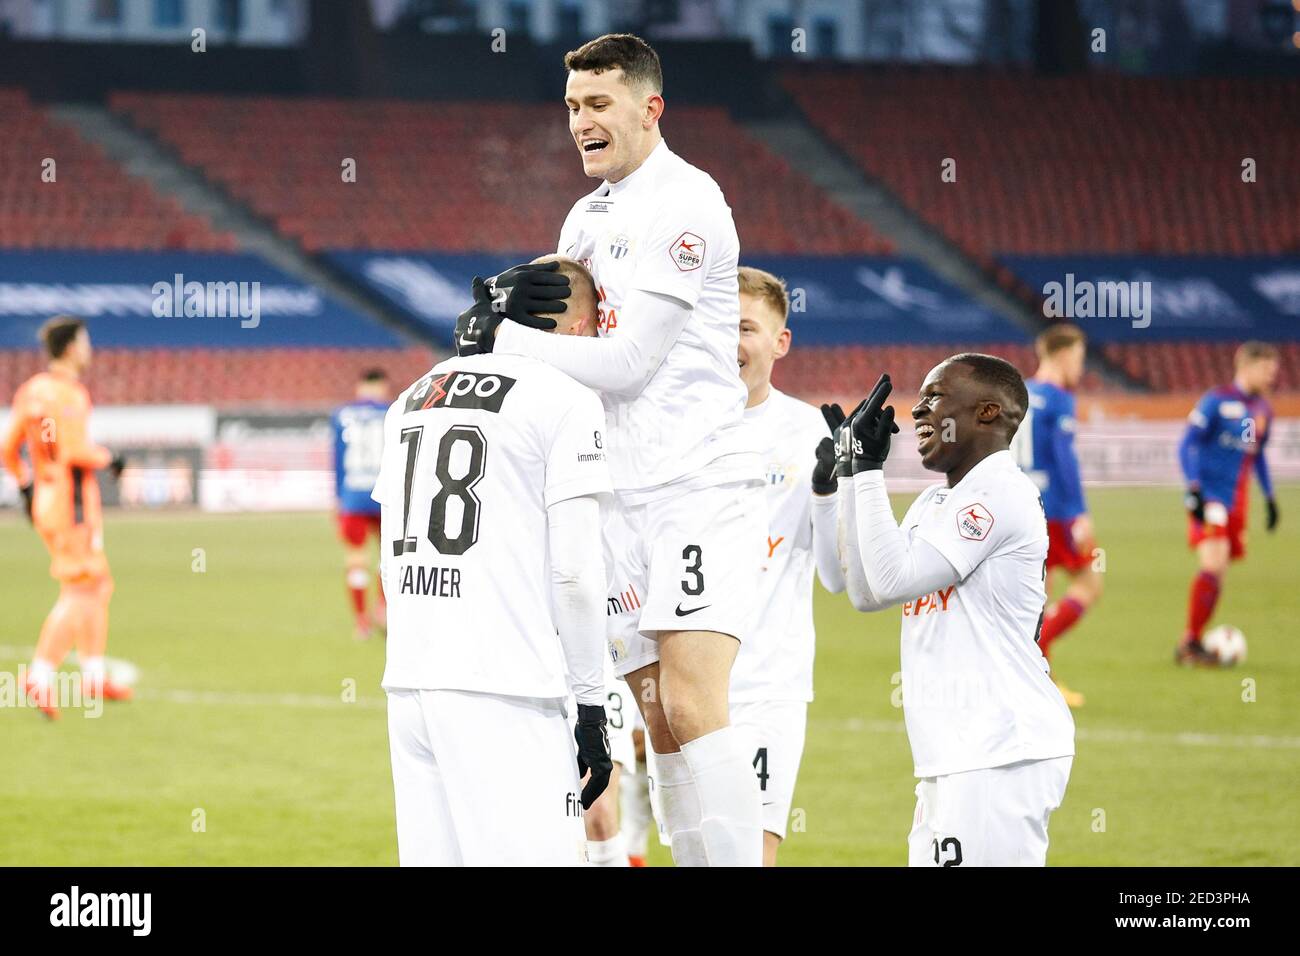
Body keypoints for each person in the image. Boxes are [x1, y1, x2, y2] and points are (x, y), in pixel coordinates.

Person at [454, 33, 765, 865]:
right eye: (571, 108)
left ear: (648, 107)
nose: (579, 123)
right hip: (617, 494)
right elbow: (565, 329)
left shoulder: (688, 200)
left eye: (597, 105)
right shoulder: (585, 215)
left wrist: (502, 344)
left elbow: (628, 365)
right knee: (655, 718)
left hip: (697, 482)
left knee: (696, 705)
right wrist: (496, 308)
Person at [375, 258, 614, 865]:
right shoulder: (566, 399)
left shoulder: (412, 395)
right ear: (580, 324)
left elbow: (386, 557)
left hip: (411, 682)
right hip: (506, 688)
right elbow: (577, 574)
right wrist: (591, 705)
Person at [838, 357, 1075, 866]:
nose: (919, 410)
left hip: (999, 749)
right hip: (958, 752)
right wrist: (848, 476)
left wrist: (869, 470)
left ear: (987, 412)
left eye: (935, 397)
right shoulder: (934, 502)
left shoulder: (999, 494)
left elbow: (893, 577)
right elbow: (866, 592)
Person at [731, 266, 845, 865]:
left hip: (766, 684)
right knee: (697, 851)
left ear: (781, 342)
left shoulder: (807, 433)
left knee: (751, 852)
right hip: (677, 683)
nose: (733, 342)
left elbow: (836, 576)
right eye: (723, 326)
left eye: (748, 328)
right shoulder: (672, 425)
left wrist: (829, 497)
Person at [2, 316, 131, 719]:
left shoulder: (32, 391)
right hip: (72, 502)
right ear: (72, 348)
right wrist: (111, 459)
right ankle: (39, 677)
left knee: (97, 582)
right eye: (86, 341)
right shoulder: (70, 394)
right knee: (82, 588)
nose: (90, 348)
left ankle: (92, 675)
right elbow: (73, 449)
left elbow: (8, 451)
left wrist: (25, 488)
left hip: (46, 497)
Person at [1176, 341, 1279, 666]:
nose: (1271, 377)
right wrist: (1194, 488)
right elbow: (1186, 444)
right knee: (1213, 564)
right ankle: (1190, 642)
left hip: (1237, 501)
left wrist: (1270, 497)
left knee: (1218, 571)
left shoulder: (1263, 409)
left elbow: (1257, 455)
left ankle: (1191, 640)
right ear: (1246, 367)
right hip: (1211, 497)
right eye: (1266, 370)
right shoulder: (1216, 401)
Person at [1013, 323, 1097, 706]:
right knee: (1089, 584)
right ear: (1062, 356)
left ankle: (1034, 678)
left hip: (1020, 504)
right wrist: (1080, 512)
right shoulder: (1061, 398)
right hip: (1056, 511)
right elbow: (1066, 460)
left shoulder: (1018, 395)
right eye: (1079, 359)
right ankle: (1038, 657)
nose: (1080, 368)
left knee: (1035, 599)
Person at [331, 368, 391, 640]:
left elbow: (337, 459)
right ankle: (384, 609)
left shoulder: (342, 415)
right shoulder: (393, 411)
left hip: (353, 496)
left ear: (359, 387)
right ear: (382, 387)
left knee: (356, 559)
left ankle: (361, 623)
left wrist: (337, 498)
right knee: (389, 557)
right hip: (384, 493)